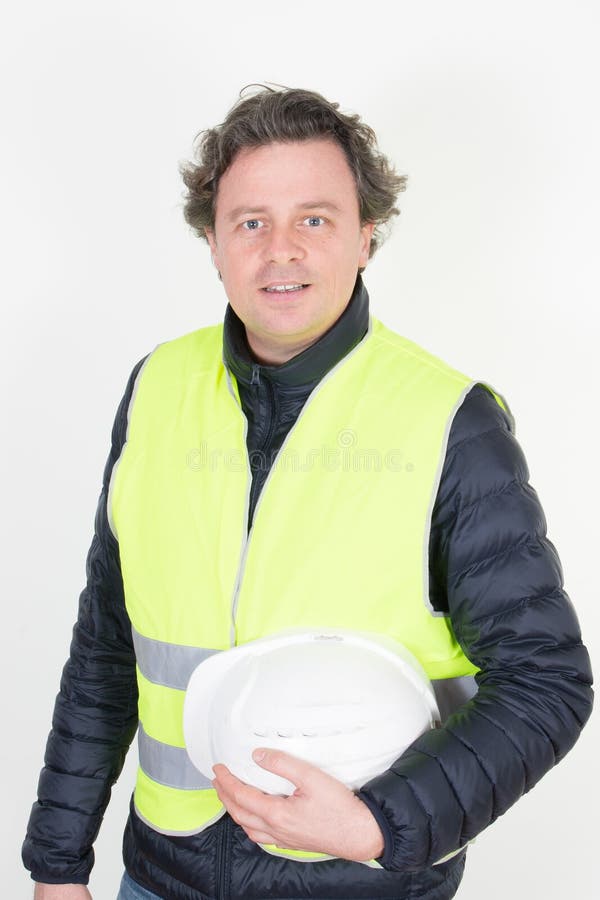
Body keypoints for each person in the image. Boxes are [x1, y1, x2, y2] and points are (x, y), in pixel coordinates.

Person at [23, 85, 593, 900]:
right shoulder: (157, 387)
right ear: (215, 244)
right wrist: (58, 861)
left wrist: (382, 823)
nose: (280, 249)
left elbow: (547, 680)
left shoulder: (450, 420)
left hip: (355, 886)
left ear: (366, 237)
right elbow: (106, 644)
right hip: (157, 877)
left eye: (315, 219)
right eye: (251, 221)